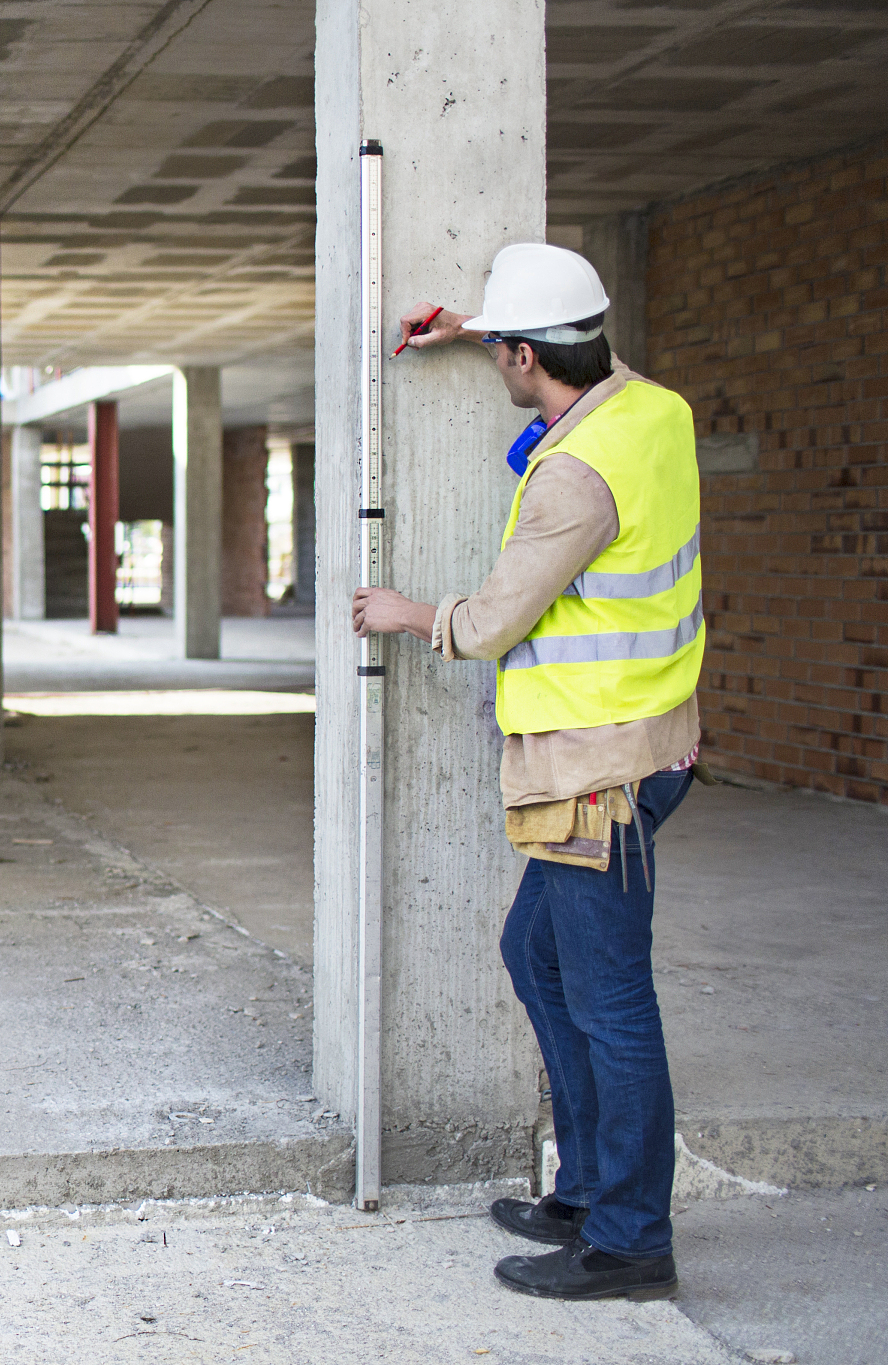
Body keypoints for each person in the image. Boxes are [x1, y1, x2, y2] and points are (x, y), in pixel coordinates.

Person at [354, 243, 702, 1304]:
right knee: (536, 957)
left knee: (608, 1002)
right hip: (648, 740)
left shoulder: (569, 478)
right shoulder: (650, 410)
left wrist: (403, 613)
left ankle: (631, 1239)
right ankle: (590, 1189)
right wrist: (474, 329)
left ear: (523, 356)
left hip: (595, 767)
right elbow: (566, 361)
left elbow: (498, 616)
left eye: (502, 353)